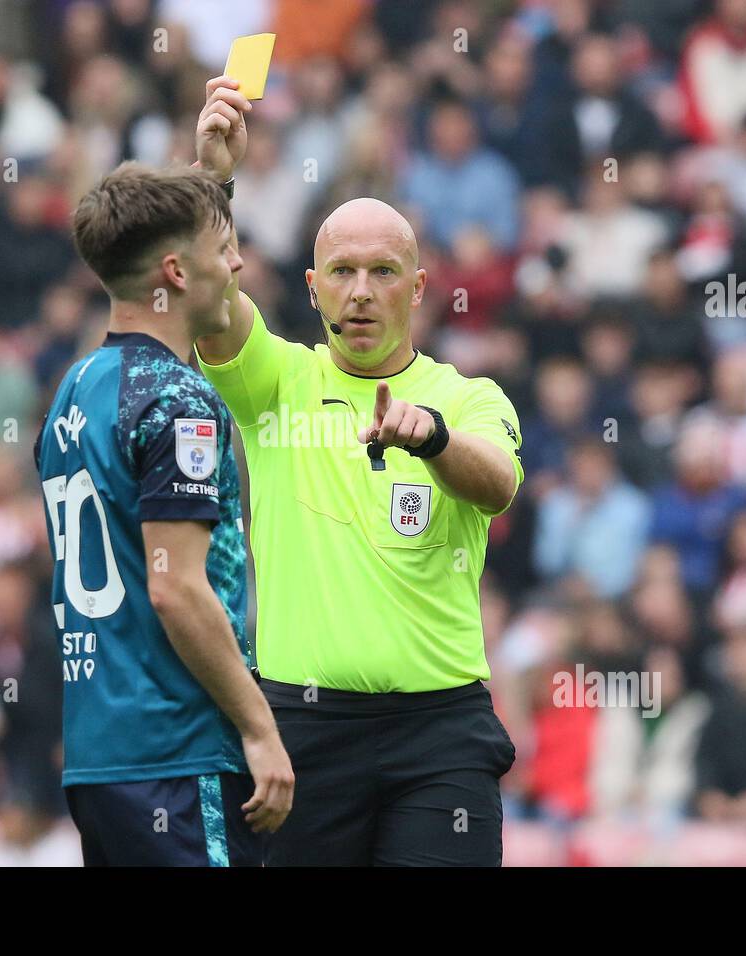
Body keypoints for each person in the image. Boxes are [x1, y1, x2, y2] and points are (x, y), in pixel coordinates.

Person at [192, 76, 523, 866]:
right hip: (304, 734)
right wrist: (213, 181)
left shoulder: (466, 396)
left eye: (383, 273)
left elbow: (498, 483)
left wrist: (436, 441)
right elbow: (204, 297)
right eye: (341, 272)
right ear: (312, 289)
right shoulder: (276, 383)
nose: (362, 293)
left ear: (418, 287)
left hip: (440, 737)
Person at [35, 162, 293, 866]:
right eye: (223, 249)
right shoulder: (177, 402)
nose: (238, 262)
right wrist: (260, 726)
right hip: (179, 752)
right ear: (176, 272)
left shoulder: (76, 389)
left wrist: (212, 174)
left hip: (101, 755)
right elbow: (175, 586)